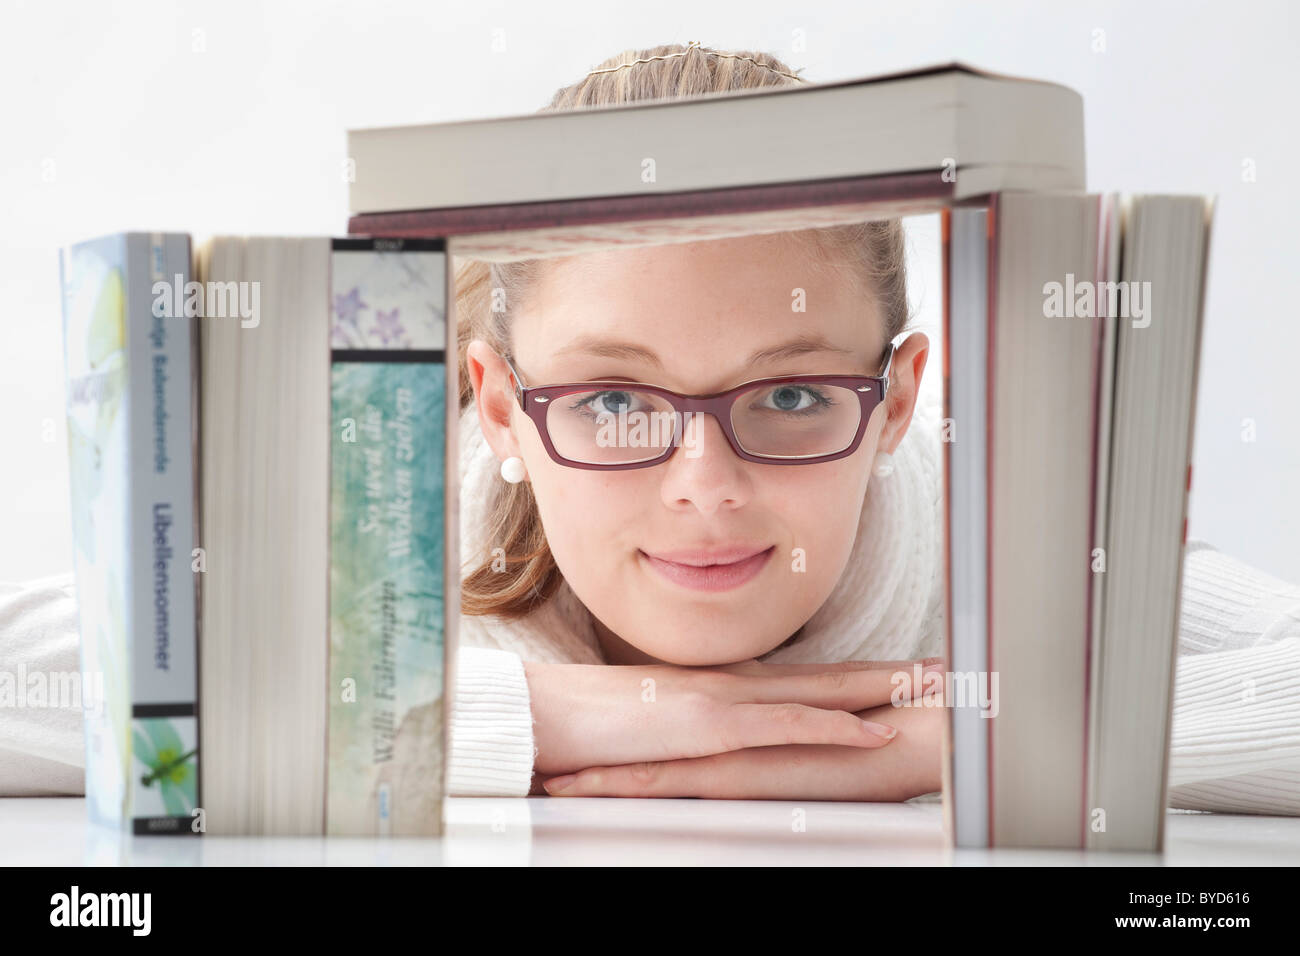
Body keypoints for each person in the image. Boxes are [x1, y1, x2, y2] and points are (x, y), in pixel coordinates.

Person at [4, 44, 1298, 814]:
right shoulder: (393, 521)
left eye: (790, 396)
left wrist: (958, 746)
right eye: (617, 401)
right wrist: (562, 717)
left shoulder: (995, 536)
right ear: (503, 403)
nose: (707, 489)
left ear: (899, 400)